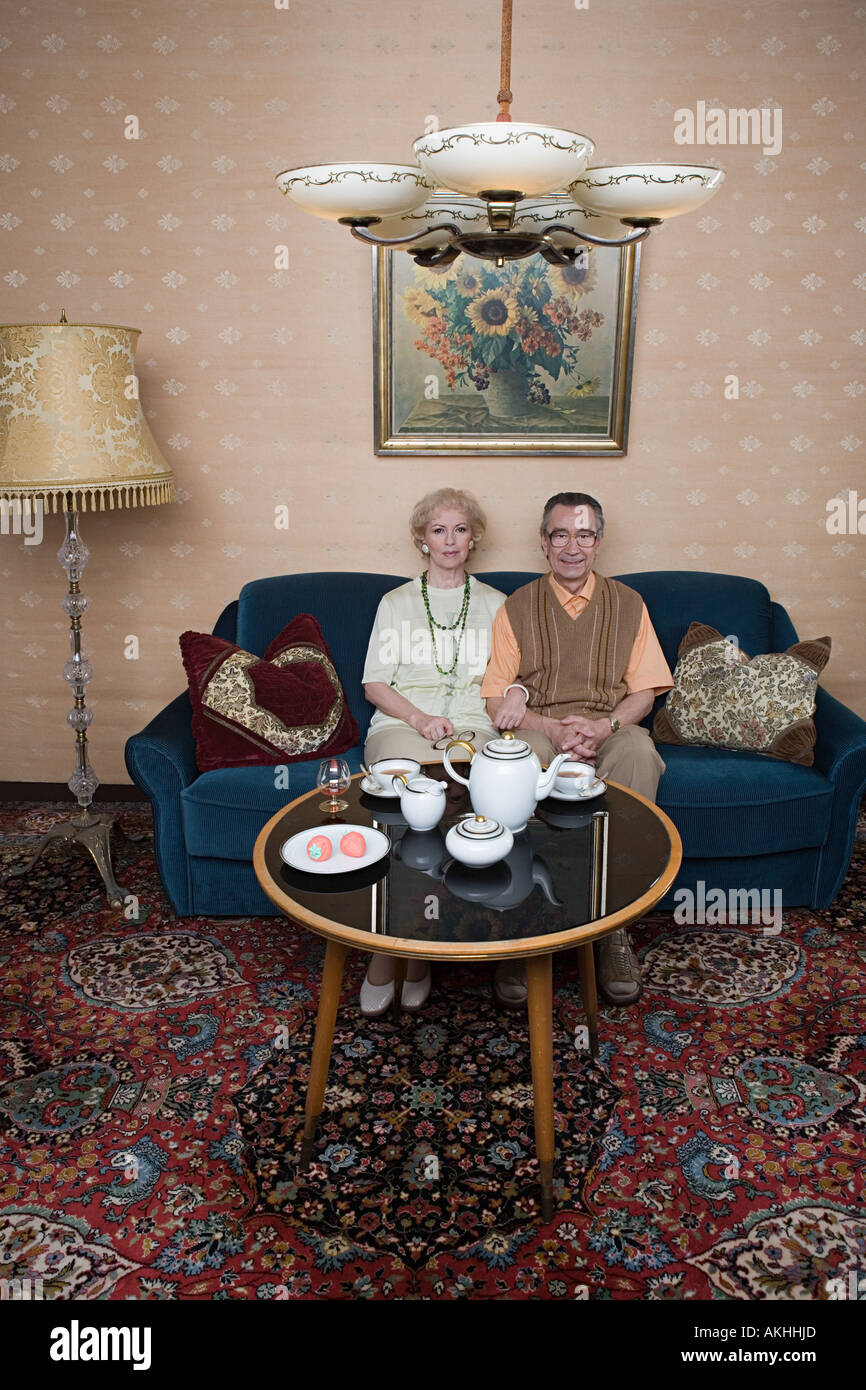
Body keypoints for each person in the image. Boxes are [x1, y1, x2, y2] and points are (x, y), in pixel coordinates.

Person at [482, 491, 673, 1009]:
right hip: (540, 723)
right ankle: (519, 923)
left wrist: (602, 726)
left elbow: (645, 691)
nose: (573, 546)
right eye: (561, 534)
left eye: (584, 535)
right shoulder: (516, 606)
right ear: (544, 543)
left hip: (608, 724)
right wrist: (552, 728)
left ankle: (612, 926)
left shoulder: (629, 603)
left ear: (598, 542)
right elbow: (497, 695)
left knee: (636, 751)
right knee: (517, 753)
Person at [360, 488, 506, 1016]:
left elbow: (511, 679)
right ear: (422, 539)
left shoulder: (495, 603)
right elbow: (375, 683)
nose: (450, 540)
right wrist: (420, 720)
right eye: (438, 530)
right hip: (404, 724)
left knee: (479, 795)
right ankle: (385, 950)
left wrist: (510, 702)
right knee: (408, 805)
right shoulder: (396, 602)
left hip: (472, 727)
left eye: (460, 529)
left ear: (474, 538)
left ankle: (420, 953)